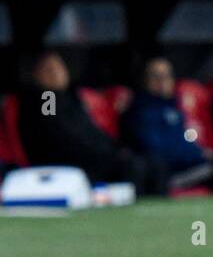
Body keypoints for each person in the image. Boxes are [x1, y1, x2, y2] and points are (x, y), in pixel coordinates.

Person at [16, 51, 168, 196]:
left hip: (94, 155)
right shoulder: (47, 97)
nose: (56, 74)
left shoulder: (70, 97)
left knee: (152, 163)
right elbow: (57, 134)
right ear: (36, 75)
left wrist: (114, 149)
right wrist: (100, 153)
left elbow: (89, 129)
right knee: (131, 167)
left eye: (58, 68)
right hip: (68, 162)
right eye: (48, 70)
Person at [120, 57, 213, 190]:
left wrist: (200, 153)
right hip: (167, 172)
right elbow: (157, 149)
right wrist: (196, 156)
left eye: (166, 76)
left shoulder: (173, 105)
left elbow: (182, 139)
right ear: (145, 80)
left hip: (188, 163)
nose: (162, 81)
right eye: (156, 76)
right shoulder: (140, 110)